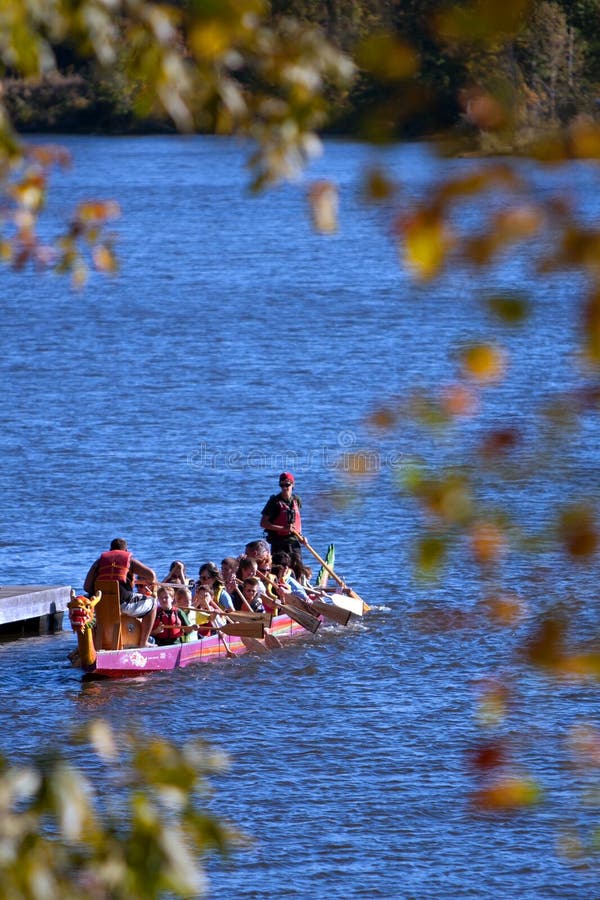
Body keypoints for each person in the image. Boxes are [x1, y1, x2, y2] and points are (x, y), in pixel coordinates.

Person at [83, 537, 157, 647]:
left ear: (110, 550)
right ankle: (143, 642)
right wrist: (148, 581)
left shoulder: (99, 562)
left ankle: (93, 643)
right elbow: (151, 575)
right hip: (123, 603)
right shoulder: (129, 561)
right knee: (152, 604)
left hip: (99, 606)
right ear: (126, 551)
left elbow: (87, 587)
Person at [260, 472, 303, 558]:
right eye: (281, 485)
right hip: (279, 543)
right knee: (280, 569)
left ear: (292, 485)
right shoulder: (274, 502)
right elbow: (263, 523)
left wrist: (301, 537)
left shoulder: (296, 500)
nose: (284, 488)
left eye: (287, 485)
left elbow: (297, 520)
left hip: (294, 542)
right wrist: (283, 529)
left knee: (298, 569)